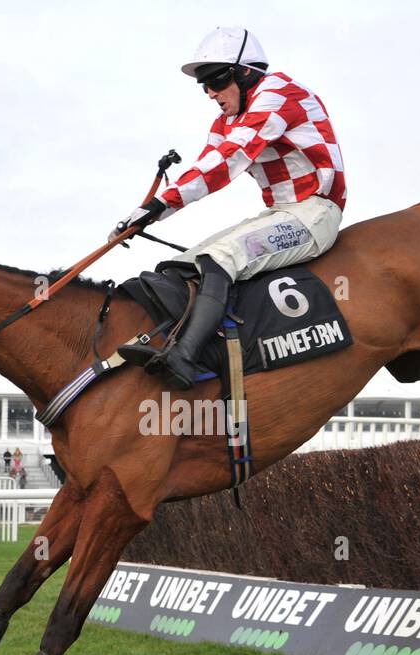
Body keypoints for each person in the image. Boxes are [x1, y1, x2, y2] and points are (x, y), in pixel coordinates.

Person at [112, 27, 346, 389]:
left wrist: (159, 206)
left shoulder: (278, 93)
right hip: (280, 214)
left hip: (316, 213)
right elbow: (204, 167)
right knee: (185, 263)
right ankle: (191, 348)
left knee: (220, 257)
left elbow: (227, 161)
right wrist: (147, 212)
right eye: (203, 86)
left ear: (247, 73)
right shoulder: (225, 121)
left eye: (217, 81)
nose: (210, 93)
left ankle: (185, 358)